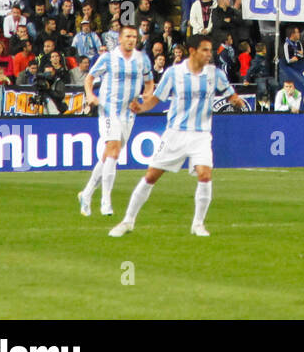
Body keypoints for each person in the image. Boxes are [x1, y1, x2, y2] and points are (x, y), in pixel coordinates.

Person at [108, 34, 248, 237]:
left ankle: (198, 224)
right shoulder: (174, 73)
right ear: (192, 51)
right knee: (151, 176)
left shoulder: (214, 74)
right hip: (175, 133)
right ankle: (128, 221)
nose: (209, 54)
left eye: (210, 50)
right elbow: (156, 98)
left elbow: (230, 94)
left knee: (205, 174)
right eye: (205, 50)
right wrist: (141, 107)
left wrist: (236, 100)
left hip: (201, 134)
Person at [78, 23, 154, 217]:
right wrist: (90, 95)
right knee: (113, 150)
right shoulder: (109, 58)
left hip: (129, 112)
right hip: (108, 108)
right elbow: (89, 78)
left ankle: (86, 194)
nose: (131, 40)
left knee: (108, 156)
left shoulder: (142, 59)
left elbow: (149, 81)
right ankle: (106, 201)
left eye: (134, 37)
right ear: (119, 39)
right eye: (127, 36)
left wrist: (147, 95)